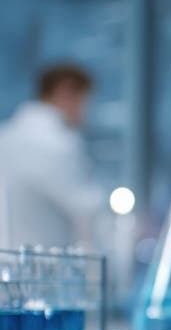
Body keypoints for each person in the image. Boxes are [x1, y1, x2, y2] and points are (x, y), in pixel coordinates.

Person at [0, 64, 105, 249]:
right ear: (66, 92)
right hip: (41, 267)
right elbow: (86, 209)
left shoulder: (7, 136)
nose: (88, 114)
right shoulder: (55, 144)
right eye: (87, 102)